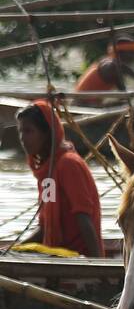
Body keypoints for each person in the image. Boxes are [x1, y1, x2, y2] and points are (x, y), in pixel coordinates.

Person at [15, 101, 103, 257]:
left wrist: (98, 265)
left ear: (47, 133)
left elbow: (83, 217)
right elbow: (45, 227)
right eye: (20, 132)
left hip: (78, 257)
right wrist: (13, 251)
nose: (22, 138)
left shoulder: (68, 164)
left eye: (28, 131)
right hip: (55, 254)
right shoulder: (46, 171)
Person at [74, 37, 134, 105]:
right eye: (131, 53)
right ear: (121, 53)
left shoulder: (113, 66)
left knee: (125, 105)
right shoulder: (111, 66)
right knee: (123, 106)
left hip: (91, 105)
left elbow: (123, 94)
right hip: (82, 105)